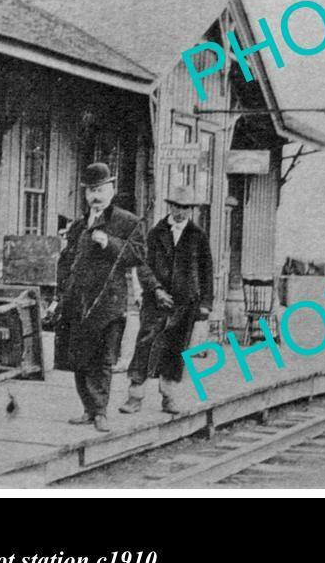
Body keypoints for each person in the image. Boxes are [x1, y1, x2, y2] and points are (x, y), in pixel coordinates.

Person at [53, 162, 155, 432]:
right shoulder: (77, 226)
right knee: (79, 358)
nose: (94, 196)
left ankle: (101, 411)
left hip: (108, 302)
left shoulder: (127, 221)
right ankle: (88, 408)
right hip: (78, 301)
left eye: (99, 190)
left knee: (102, 358)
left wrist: (109, 242)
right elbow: (66, 261)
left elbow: (139, 255)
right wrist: (61, 290)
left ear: (111, 189)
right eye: (89, 191)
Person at [119, 184, 214, 416]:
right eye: (176, 206)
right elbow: (143, 265)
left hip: (185, 304)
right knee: (146, 344)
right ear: (169, 206)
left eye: (185, 208)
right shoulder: (155, 233)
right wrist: (156, 289)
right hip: (155, 302)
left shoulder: (198, 236)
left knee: (176, 349)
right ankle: (135, 396)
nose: (180, 212)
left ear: (191, 209)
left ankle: (169, 397)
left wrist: (205, 304)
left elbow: (206, 272)